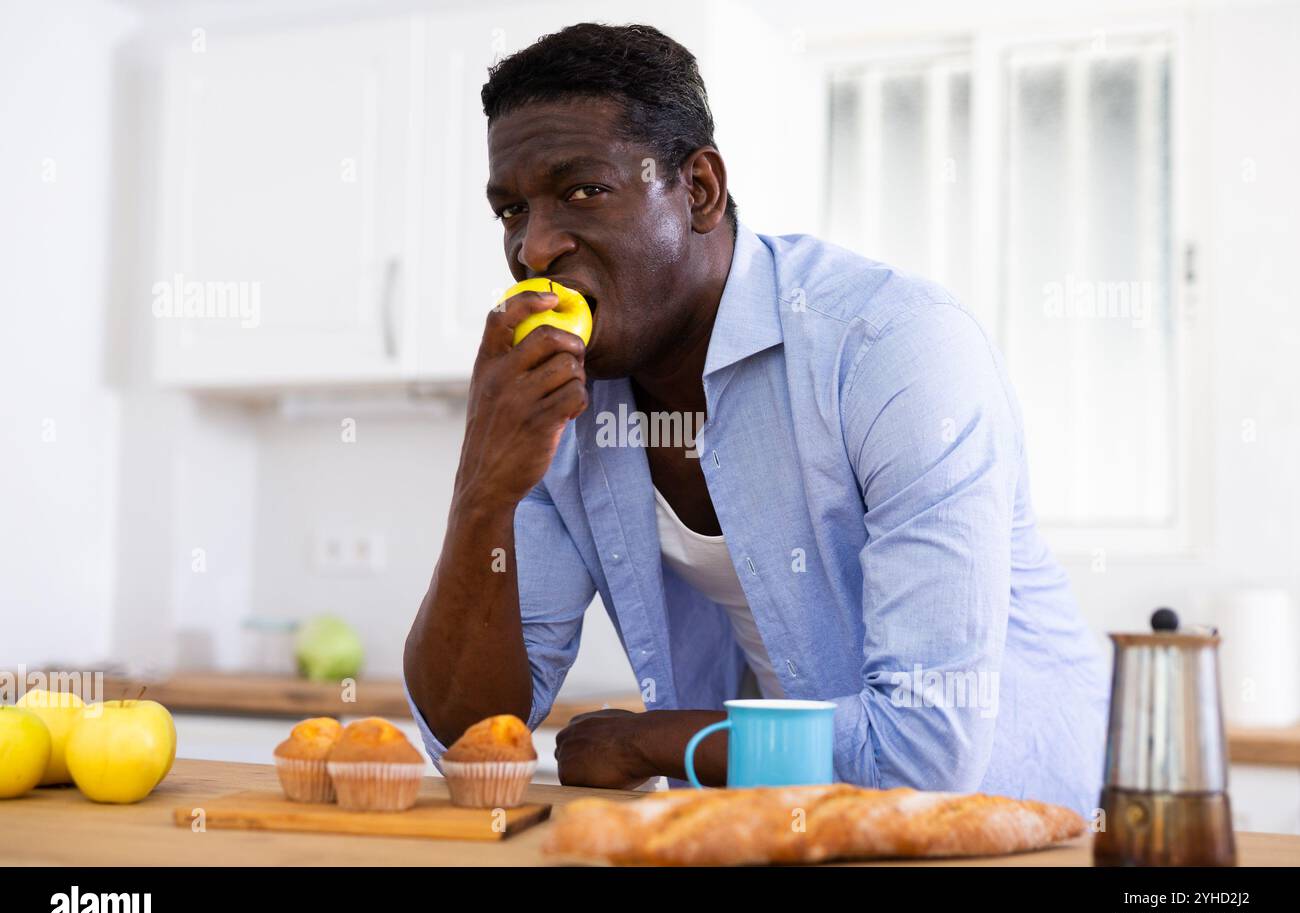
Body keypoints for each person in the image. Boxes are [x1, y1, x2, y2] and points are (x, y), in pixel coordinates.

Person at [403, 22, 1109, 815]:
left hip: (1026, 823)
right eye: (510, 211)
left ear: (698, 189)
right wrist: (481, 487)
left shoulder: (891, 348)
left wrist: (652, 741)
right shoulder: (561, 408)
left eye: (582, 191)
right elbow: (471, 735)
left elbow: (922, 748)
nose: (533, 248)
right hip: (800, 817)